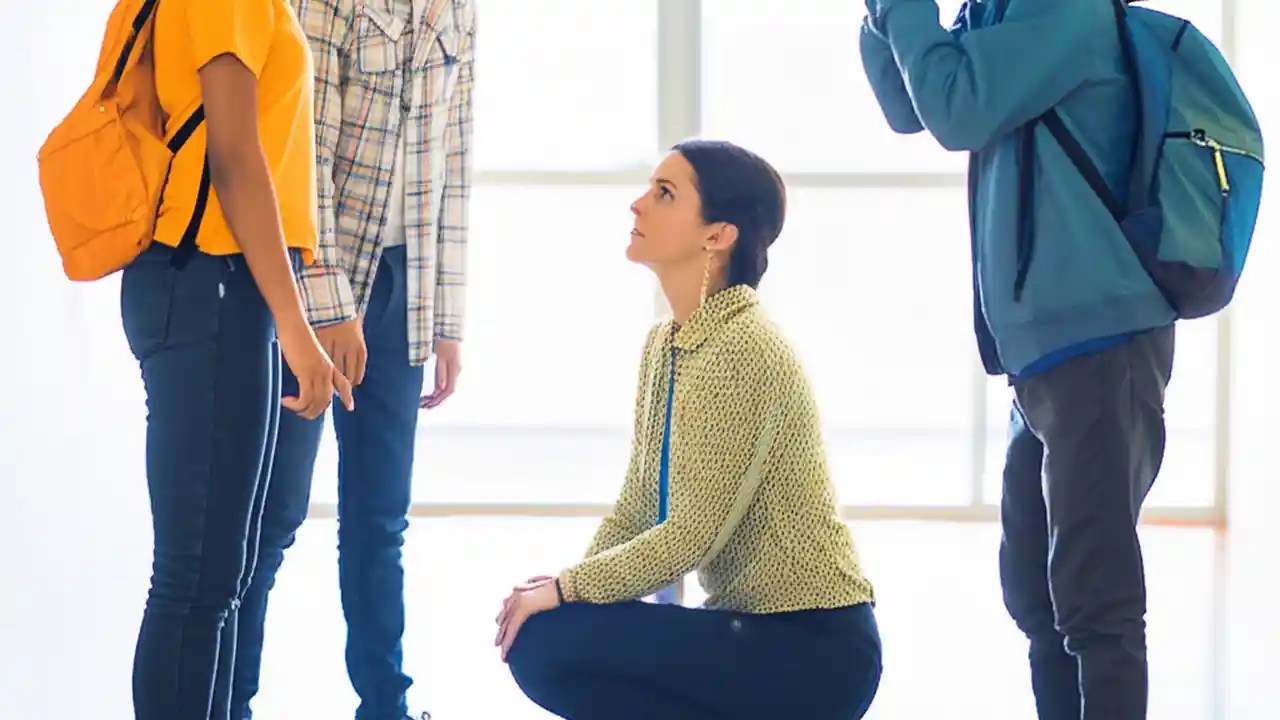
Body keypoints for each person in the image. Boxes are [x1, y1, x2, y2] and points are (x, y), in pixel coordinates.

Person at [861, 1, 1176, 718]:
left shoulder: (1065, 9)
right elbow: (907, 102)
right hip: (1037, 348)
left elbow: (957, 113)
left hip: (1100, 339)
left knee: (1097, 602)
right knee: (1035, 592)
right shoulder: (1001, 10)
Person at [494, 140, 882, 720]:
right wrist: (574, 597)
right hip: (747, 631)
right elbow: (638, 508)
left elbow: (689, 535)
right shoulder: (667, 344)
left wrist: (568, 592)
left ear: (717, 234)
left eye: (664, 194)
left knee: (546, 641)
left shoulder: (744, 348)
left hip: (814, 648)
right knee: (548, 634)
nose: (638, 205)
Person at [230, 1, 476, 719]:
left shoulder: (459, 9)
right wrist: (329, 302)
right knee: (273, 516)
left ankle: (387, 707)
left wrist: (446, 317)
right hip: (311, 286)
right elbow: (300, 154)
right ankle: (228, 702)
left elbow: (456, 159)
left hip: (407, 286)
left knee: (380, 518)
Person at [124, 0, 354, 718]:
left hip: (219, 285)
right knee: (196, 578)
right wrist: (296, 325)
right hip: (209, 282)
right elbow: (233, 152)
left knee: (219, 575)